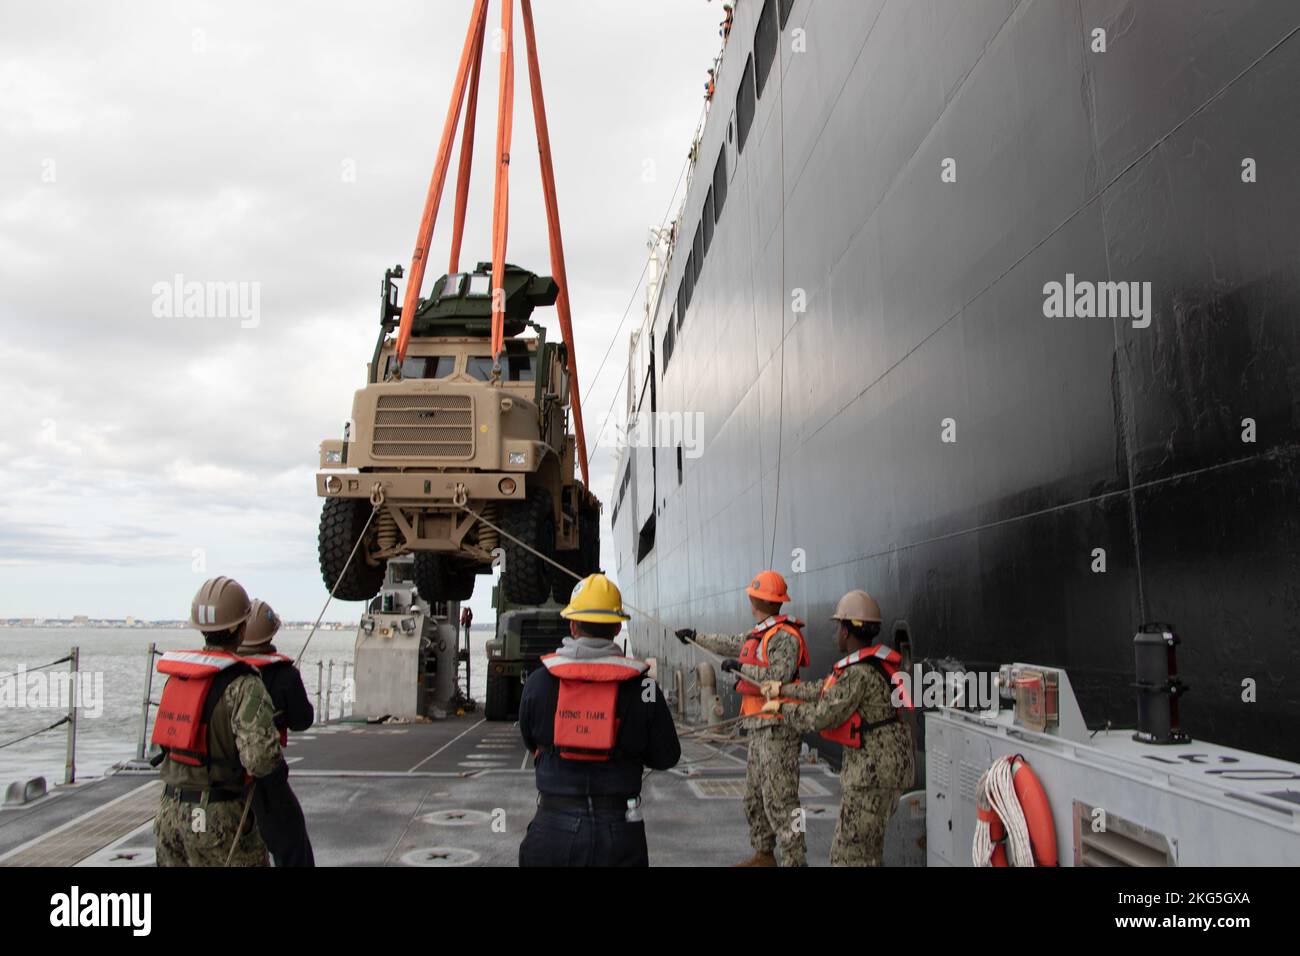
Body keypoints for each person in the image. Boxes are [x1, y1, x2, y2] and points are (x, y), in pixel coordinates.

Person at [518, 573, 680, 866]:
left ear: (572, 624)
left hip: (551, 829)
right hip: (619, 832)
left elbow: (530, 741)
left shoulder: (539, 682)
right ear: (617, 628)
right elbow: (667, 756)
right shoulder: (643, 688)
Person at [760, 590, 915, 866]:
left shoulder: (857, 674)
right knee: (868, 854)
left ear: (846, 631)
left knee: (847, 857)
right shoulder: (874, 666)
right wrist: (784, 689)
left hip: (870, 777)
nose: (835, 635)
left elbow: (821, 716)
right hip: (888, 773)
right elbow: (825, 689)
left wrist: (781, 708)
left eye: (838, 628)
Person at [675, 569, 810, 866]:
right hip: (759, 727)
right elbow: (731, 642)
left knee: (783, 801)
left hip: (778, 727)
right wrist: (696, 637)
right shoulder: (760, 633)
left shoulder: (785, 637)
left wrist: (741, 667)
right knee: (754, 797)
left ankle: (795, 859)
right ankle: (764, 854)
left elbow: (779, 676)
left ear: (756, 599)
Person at [151, 576, 284, 866]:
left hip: (168, 813)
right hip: (217, 815)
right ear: (240, 628)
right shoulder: (244, 684)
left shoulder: (179, 677)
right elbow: (261, 760)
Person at [239, 598, 316, 867]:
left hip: (218, 782)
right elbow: (303, 719)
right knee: (293, 848)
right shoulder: (284, 675)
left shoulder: (221, 671)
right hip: (264, 783)